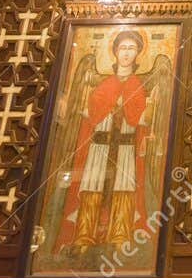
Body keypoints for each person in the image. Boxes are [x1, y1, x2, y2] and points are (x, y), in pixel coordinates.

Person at [57, 29, 151, 256]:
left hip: (126, 147)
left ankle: (120, 237)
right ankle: (83, 238)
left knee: (123, 189)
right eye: (123, 48)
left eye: (131, 48)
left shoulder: (137, 86)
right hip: (99, 146)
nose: (127, 53)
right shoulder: (103, 85)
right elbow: (89, 115)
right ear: (115, 51)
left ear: (138, 52)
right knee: (92, 187)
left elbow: (141, 119)